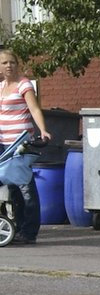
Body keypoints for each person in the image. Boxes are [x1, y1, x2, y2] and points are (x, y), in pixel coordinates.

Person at [0, 48, 50, 245]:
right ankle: (18, 228)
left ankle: (29, 232)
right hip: (4, 144)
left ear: (17, 65)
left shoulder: (24, 84)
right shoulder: (1, 87)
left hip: (20, 144)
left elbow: (34, 109)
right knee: (12, 188)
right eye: (4, 63)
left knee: (25, 188)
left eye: (12, 62)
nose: (9, 66)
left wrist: (43, 130)